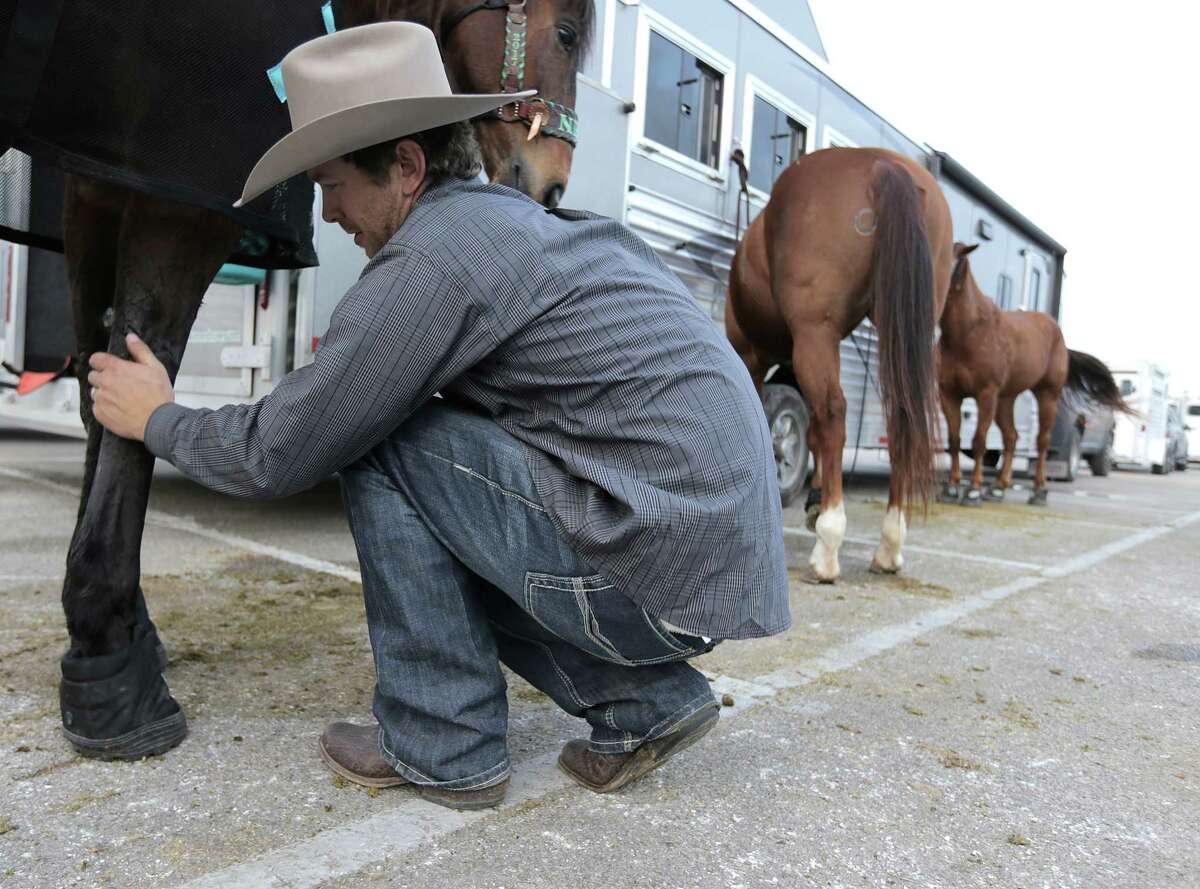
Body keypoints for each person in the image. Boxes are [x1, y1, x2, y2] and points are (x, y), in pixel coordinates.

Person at [88, 22, 789, 811]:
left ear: (407, 166)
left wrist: (158, 418)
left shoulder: (433, 257)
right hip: (699, 568)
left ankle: (442, 740)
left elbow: (281, 449)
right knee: (451, 483)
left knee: (380, 441)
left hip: (656, 563)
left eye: (331, 185)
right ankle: (645, 700)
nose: (327, 214)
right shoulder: (505, 226)